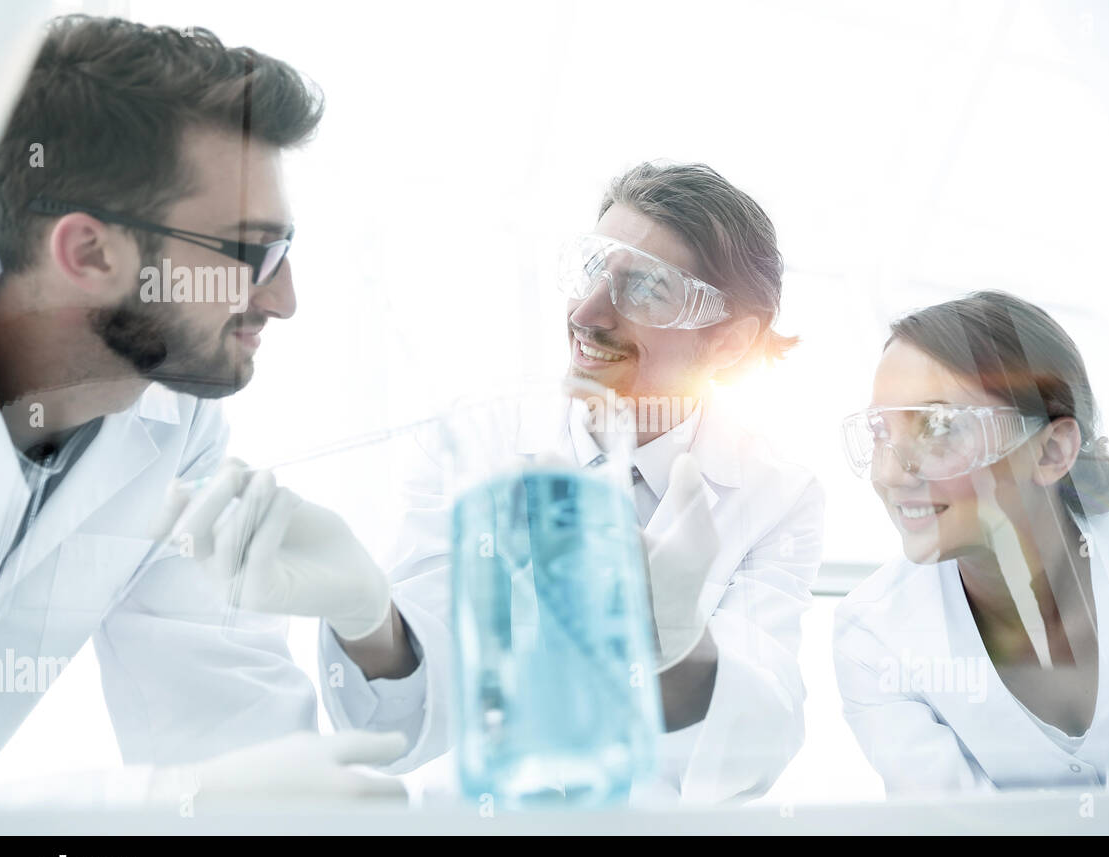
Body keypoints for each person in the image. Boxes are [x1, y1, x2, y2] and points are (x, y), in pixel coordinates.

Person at [0, 15, 407, 804]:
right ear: (89, 253)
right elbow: (194, 790)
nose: (284, 300)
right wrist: (160, 802)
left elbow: (235, 735)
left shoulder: (173, 431)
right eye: (253, 254)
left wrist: (369, 618)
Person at [321, 162, 825, 802]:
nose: (587, 314)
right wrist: (363, 615)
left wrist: (672, 637)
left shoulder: (776, 495)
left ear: (727, 344)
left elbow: (758, 741)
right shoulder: (478, 441)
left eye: (644, 289)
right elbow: (404, 716)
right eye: (593, 271)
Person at [832, 291, 1109, 794]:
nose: (890, 473)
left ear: (1051, 451)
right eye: (879, 434)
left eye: (938, 427)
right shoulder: (874, 637)